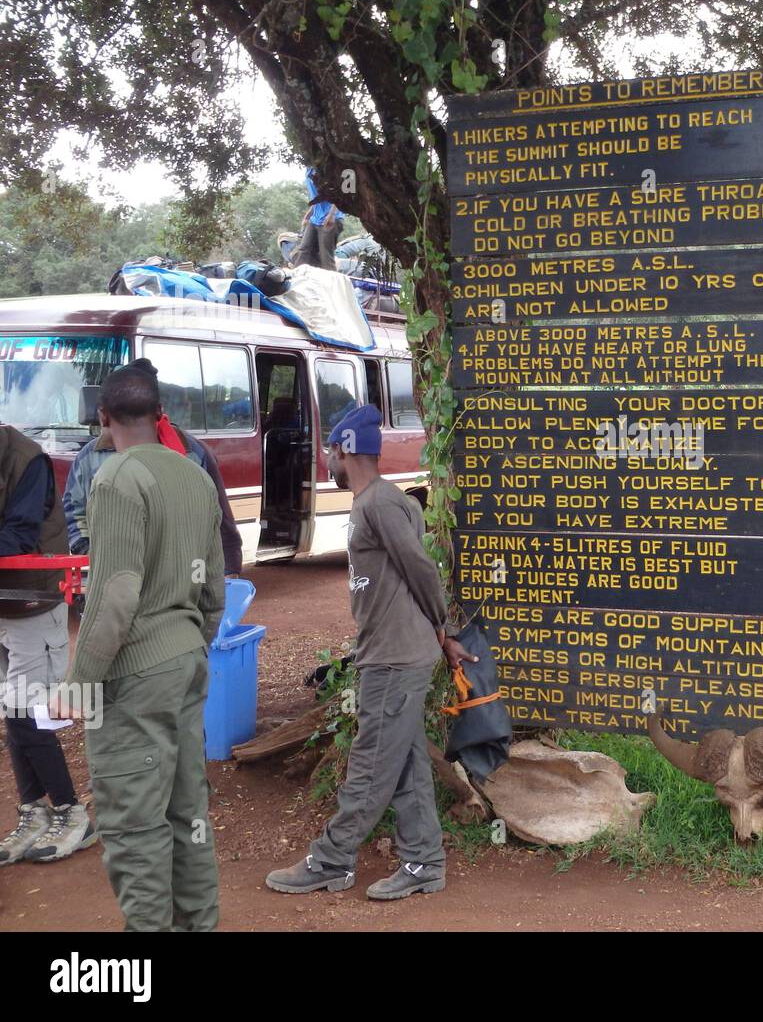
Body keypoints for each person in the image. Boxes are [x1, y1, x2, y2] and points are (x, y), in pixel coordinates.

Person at [266, 404, 474, 901]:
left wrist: (443, 629)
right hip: (395, 652)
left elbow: (421, 570)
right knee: (403, 764)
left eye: (332, 452)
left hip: (394, 660)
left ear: (347, 449)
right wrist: (440, 637)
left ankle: (332, 859)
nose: (329, 463)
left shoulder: (377, 504)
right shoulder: (381, 501)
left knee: (370, 764)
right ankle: (424, 863)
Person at [54, 364, 226, 932]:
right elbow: (213, 591)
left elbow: (116, 592)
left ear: (103, 419)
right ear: (159, 417)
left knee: (135, 827)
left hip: (136, 674)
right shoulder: (195, 476)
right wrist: (190, 646)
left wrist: (79, 682)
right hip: (186, 662)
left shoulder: (115, 479)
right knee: (187, 816)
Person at [0, 422, 96, 865]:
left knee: (27, 712)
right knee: (11, 711)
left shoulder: (26, 458)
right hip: (5, 603)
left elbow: (18, 535)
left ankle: (73, 814)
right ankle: (34, 812)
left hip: (33, 602)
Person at [62, 358, 242, 577]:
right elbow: (74, 514)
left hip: (178, 579)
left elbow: (218, 521)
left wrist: (227, 570)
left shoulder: (191, 451)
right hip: (112, 574)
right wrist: (95, 554)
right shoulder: (89, 457)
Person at [290, 167, 344, 270]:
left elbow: (340, 192)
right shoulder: (308, 169)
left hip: (331, 219)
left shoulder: (325, 166)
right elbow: (317, 198)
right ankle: (297, 279)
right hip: (315, 219)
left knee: (325, 257)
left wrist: (332, 214)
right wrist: (308, 215)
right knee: (304, 250)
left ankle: (331, 284)